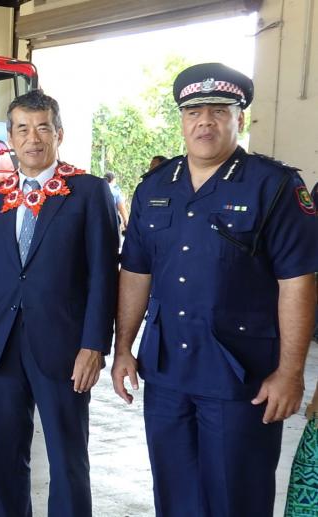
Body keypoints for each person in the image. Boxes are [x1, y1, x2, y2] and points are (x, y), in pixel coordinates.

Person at [111, 63, 318, 516]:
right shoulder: (154, 188)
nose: (204, 120)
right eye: (193, 111)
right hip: (166, 373)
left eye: (218, 110)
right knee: (174, 493)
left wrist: (290, 372)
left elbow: (297, 281)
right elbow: (135, 273)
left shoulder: (275, 185)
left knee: (235, 497)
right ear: (182, 121)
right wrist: (123, 348)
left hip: (239, 373)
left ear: (239, 118)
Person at [0, 89, 119, 516]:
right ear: (10, 138)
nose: (33, 138)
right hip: (1, 344)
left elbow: (104, 275)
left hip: (64, 347)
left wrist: (94, 346)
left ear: (59, 134)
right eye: (23, 129)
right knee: (5, 457)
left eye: (43, 127)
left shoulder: (87, 191)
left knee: (67, 458)